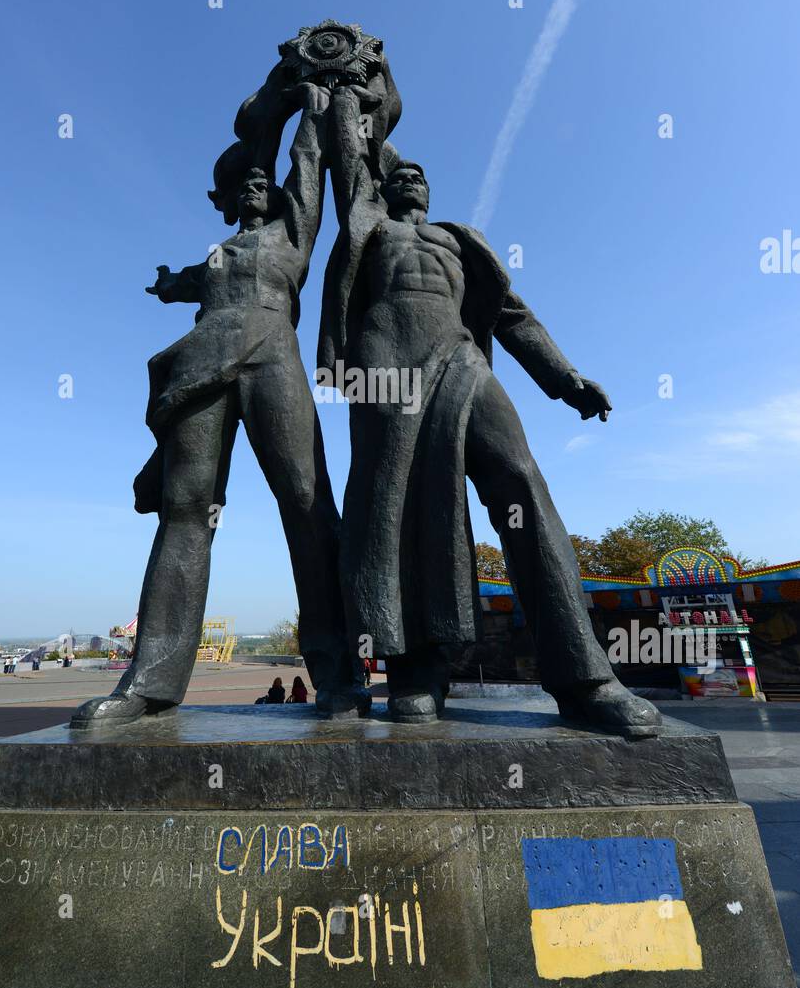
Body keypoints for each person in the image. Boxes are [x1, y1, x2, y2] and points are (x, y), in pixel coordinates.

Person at [318, 85, 661, 737]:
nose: (413, 181)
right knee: (394, 512)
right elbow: (353, 150)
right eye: (402, 176)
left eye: (422, 177)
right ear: (385, 189)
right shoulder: (369, 229)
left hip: (461, 365)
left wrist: (563, 378)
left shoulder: (458, 239)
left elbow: (511, 316)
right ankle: (417, 669)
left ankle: (585, 677)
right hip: (384, 377)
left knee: (520, 483)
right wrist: (355, 86)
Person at [71, 85, 369, 730]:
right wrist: (170, 284)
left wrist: (312, 110)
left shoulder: (293, 233)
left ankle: (339, 672)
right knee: (185, 510)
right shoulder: (213, 257)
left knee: (307, 503)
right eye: (248, 184)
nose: (260, 185)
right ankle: (150, 680)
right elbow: (176, 284)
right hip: (205, 361)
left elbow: (306, 167)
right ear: (230, 200)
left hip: (272, 357)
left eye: (269, 182)